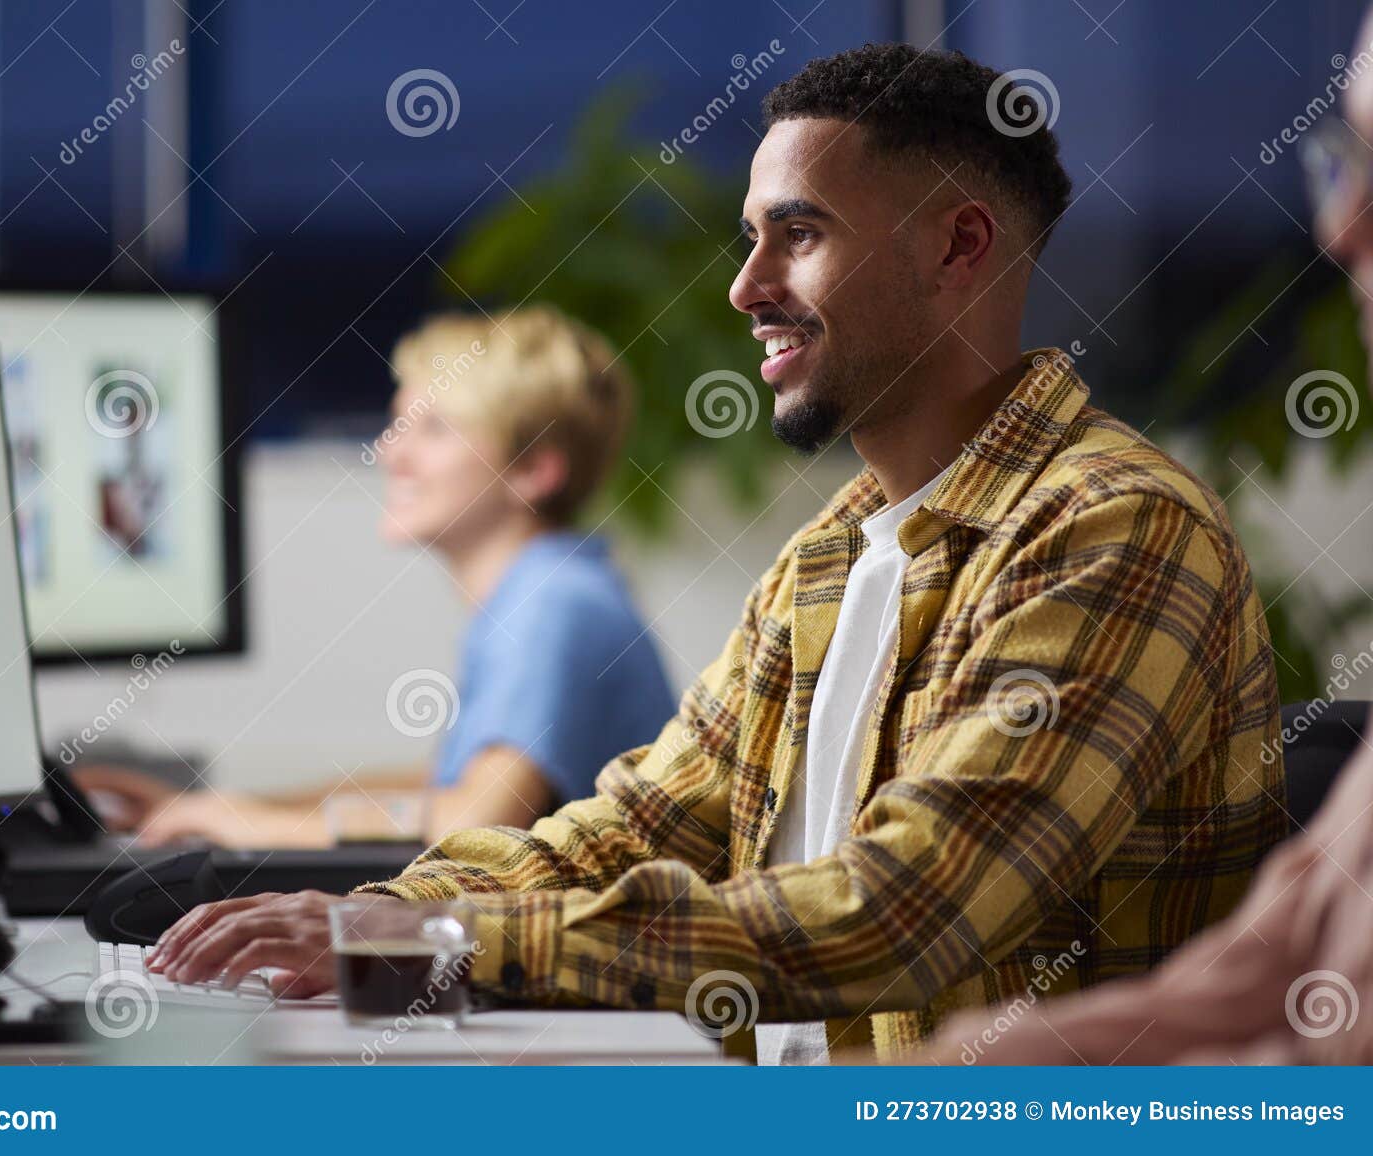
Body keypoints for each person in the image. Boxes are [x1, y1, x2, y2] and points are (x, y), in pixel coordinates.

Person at [146, 44, 1285, 1065]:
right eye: (753, 239)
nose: (745, 289)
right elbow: (635, 827)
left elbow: (902, 910)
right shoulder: (829, 558)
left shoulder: (1114, 525)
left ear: (959, 245)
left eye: (799, 234)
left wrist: (440, 936)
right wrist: (366, 922)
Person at [888, 7, 1373, 1067]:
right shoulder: (840, 553)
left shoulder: (1118, 523)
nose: (1340, 229)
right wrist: (976, 1068)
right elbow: (1254, 974)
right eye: (1348, 160)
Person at [76, 305, 675, 849]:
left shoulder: (552, 604)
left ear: (534, 470)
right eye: (398, 423)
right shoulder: (549, 585)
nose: (391, 453)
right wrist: (223, 808)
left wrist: (257, 826)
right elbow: (446, 787)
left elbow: (475, 821)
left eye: (434, 429)